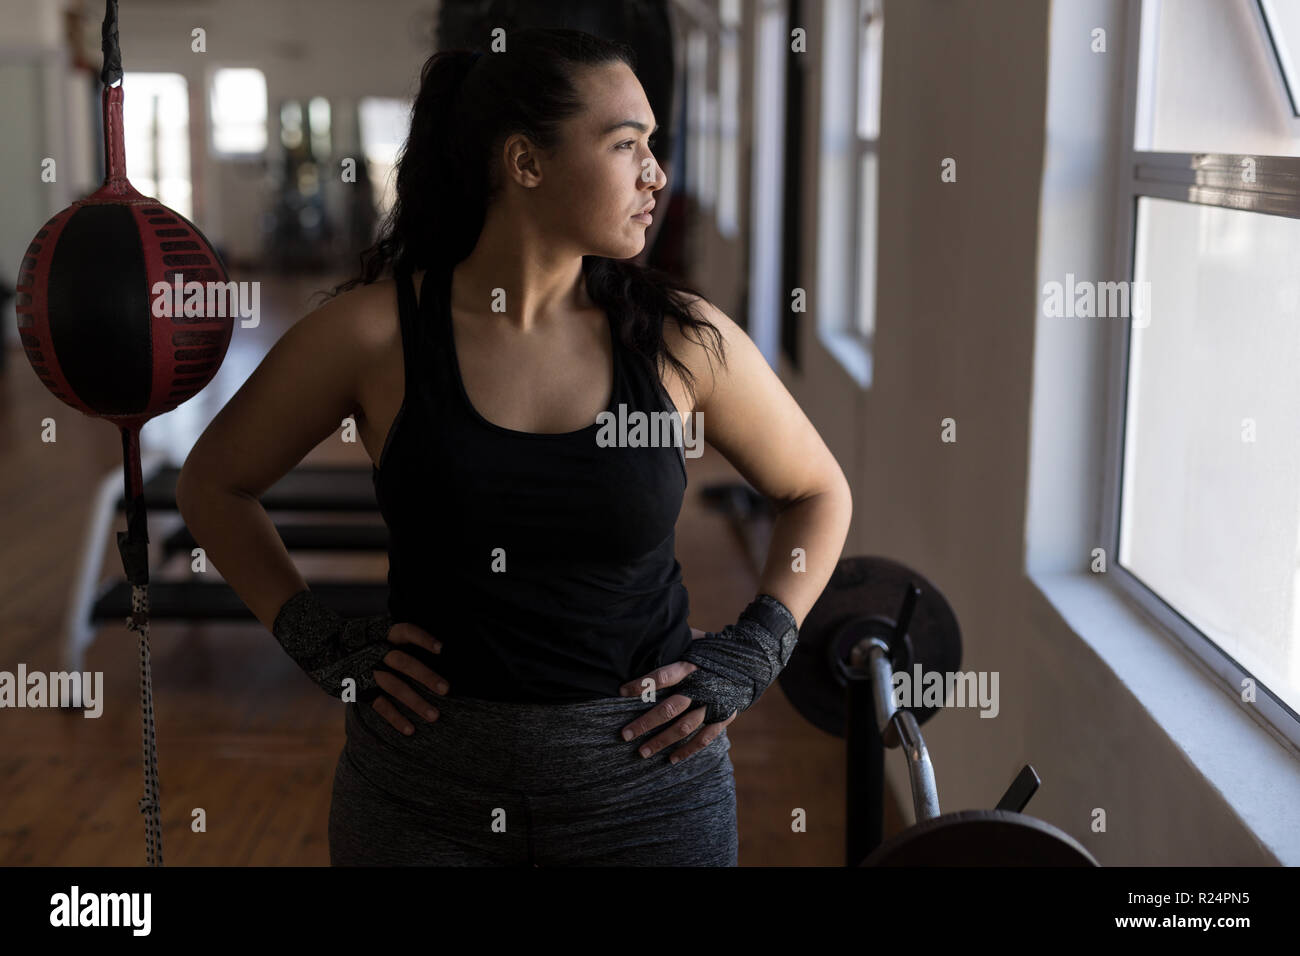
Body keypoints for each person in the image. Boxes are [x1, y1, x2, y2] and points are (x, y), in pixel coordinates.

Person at [175, 28, 853, 867]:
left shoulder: (681, 342)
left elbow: (819, 492)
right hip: (423, 803)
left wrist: (759, 647)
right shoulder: (374, 334)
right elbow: (214, 483)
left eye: (654, 145)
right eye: (625, 145)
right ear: (525, 163)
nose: (657, 174)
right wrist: (320, 640)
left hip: (647, 803)